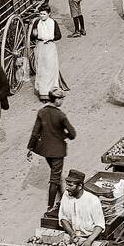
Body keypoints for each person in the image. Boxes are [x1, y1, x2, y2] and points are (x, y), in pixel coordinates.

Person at [27, 90, 76, 218]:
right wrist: (64, 135)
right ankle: (50, 207)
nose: (62, 101)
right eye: (61, 99)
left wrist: (30, 148)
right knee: (54, 179)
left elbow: (35, 132)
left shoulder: (42, 112)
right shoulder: (61, 115)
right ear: (57, 100)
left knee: (57, 174)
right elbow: (73, 133)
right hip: (58, 151)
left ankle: (62, 198)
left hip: (46, 151)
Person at [57, 170, 105, 245]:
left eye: (70, 185)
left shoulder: (92, 200)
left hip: (90, 237)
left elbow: (99, 225)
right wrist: (72, 234)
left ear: (80, 186)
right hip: (73, 235)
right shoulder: (66, 195)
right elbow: (63, 218)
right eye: (67, 184)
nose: (66, 188)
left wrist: (89, 241)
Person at [31, 6, 63, 100]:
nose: (42, 16)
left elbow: (59, 36)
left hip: (50, 47)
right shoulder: (37, 22)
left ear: (49, 14)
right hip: (40, 47)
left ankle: (52, 91)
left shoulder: (53, 23)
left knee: (51, 68)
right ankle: (43, 93)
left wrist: (50, 38)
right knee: (41, 69)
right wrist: (34, 34)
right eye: (40, 14)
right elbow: (32, 37)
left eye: (44, 14)